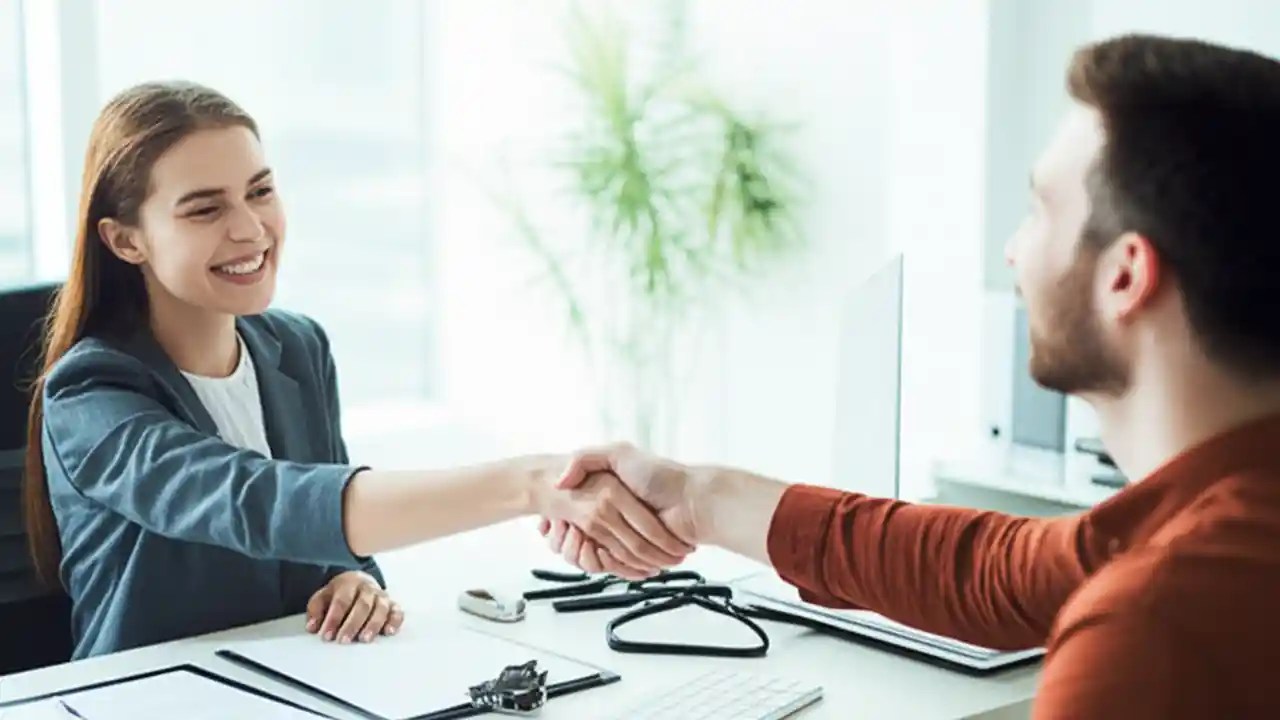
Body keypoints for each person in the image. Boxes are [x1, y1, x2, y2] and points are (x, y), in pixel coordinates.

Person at [545, 34, 1280, 718]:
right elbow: (992, 571)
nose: (1014, 252)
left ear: (1126, 275)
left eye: (1039, 212)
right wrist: (699, 499)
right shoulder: (1218, 517)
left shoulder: (1151, 633)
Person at [22, 81, 690, 660]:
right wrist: (532, 483)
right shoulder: (90, 392)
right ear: (125, 239)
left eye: (260, 191)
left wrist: (353, 582)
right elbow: (257, 502)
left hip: (302, 681)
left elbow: (331, 535)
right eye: (205, 208)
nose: (251, 227)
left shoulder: (296, 347)